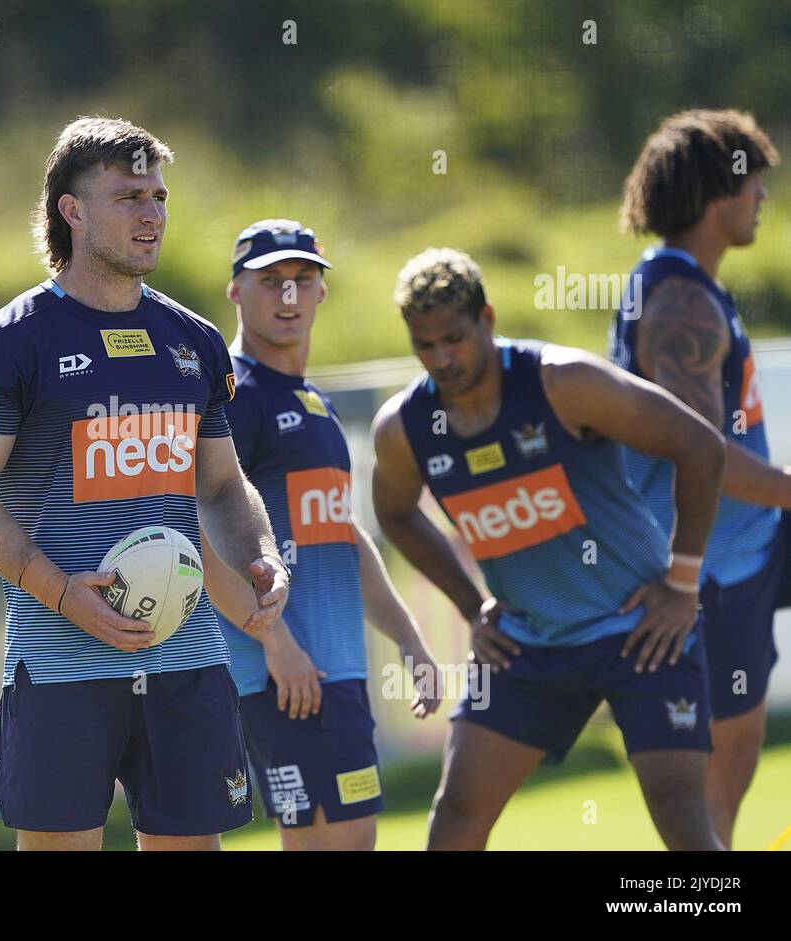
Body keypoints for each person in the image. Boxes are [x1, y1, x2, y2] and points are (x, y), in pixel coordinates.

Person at [0, 117, 291, 851]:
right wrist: (61, 590)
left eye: (159, 195)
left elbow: (223, 486)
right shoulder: (7, 342)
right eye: (129, 196)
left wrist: (261, 553)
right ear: (72, 209)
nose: (153, 213)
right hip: (61, 657)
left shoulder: (193, 340)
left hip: (187, 655)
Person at [372, 247, 727, 850]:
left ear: (486, 319)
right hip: (528, 644)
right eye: (424, 345)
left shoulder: (563, 381)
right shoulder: (404, 428)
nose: (442, 359)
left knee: (681, 816)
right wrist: (471, 608)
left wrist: (683, 583)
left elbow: (702, 447)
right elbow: (395, 514)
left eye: (454, 338)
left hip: (640, 629)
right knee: (456, 816)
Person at [202, 219, 441, 851]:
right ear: (234, 291)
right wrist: (276, 644)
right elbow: (199, 534)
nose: (288, 297)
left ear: (321, 293)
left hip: (335, 671)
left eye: (302, 280)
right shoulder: (234, 393)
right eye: (270, 281)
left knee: (346, 842)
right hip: (285, 676)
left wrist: (410, 640)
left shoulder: (313, 402)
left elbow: (343, 535)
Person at [611, 109, 787, 847]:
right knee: (726, 773)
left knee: (731, 768)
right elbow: (705, 456)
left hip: (752, 536)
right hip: (709, 560)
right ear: (721, 192)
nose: (763, 201)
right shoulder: (679, 300)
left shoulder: (688, 286)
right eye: (755, 187)